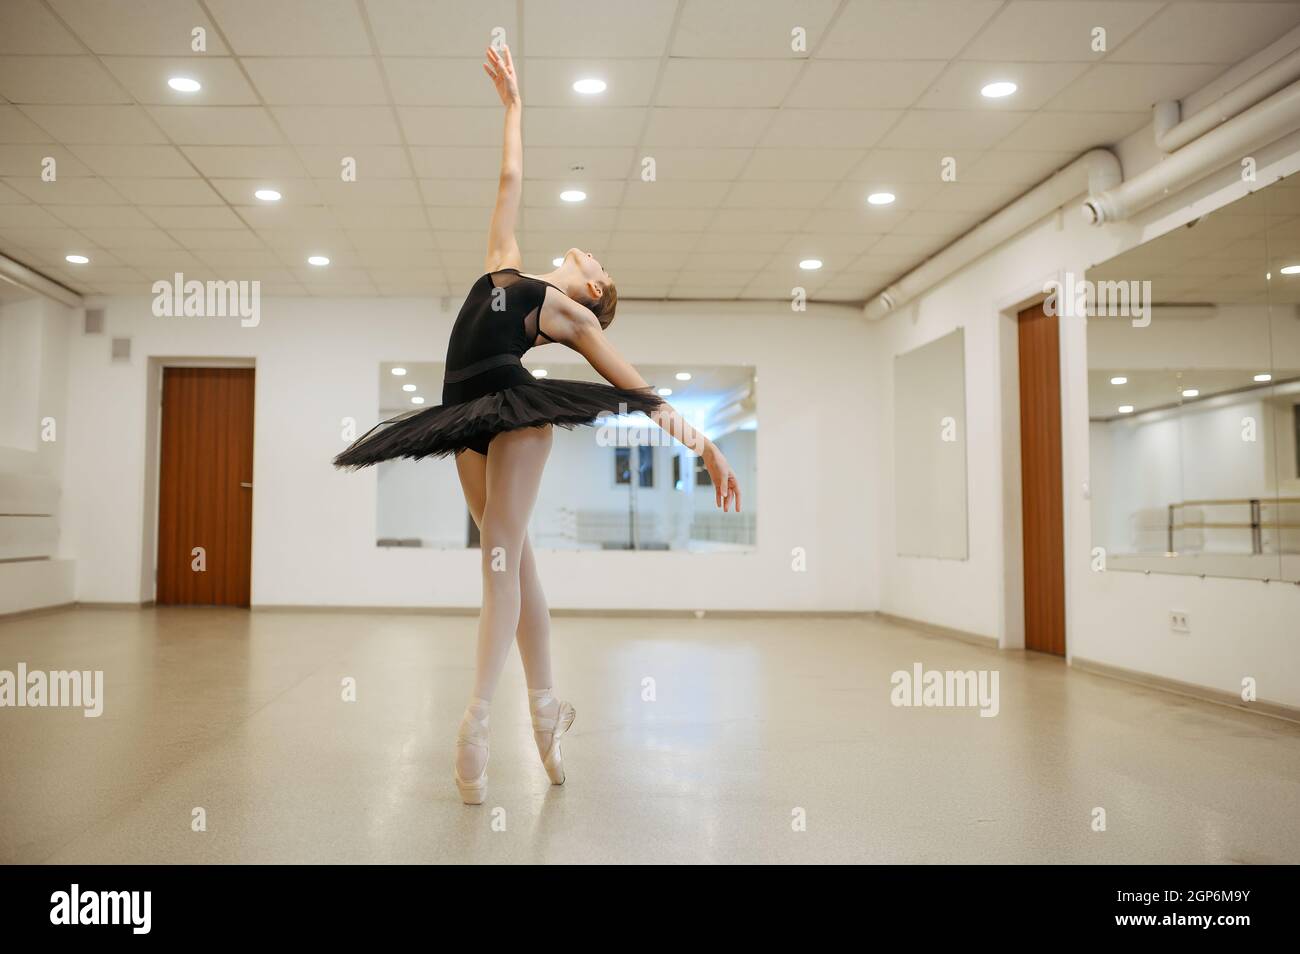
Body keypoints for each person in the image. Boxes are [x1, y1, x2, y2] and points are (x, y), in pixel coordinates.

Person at [335, 44, 742, 804]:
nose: (594, 256)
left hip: (516, 415)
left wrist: (708, 447)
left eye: (601, 269)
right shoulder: (506, 265)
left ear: (592, 296)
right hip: (464, 419)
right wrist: (515, 107)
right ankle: (547, 716)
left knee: (497, 564)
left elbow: (641, 391)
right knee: (516, 570)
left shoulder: (569, 314)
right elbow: (510, 179)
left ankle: (476, 726)